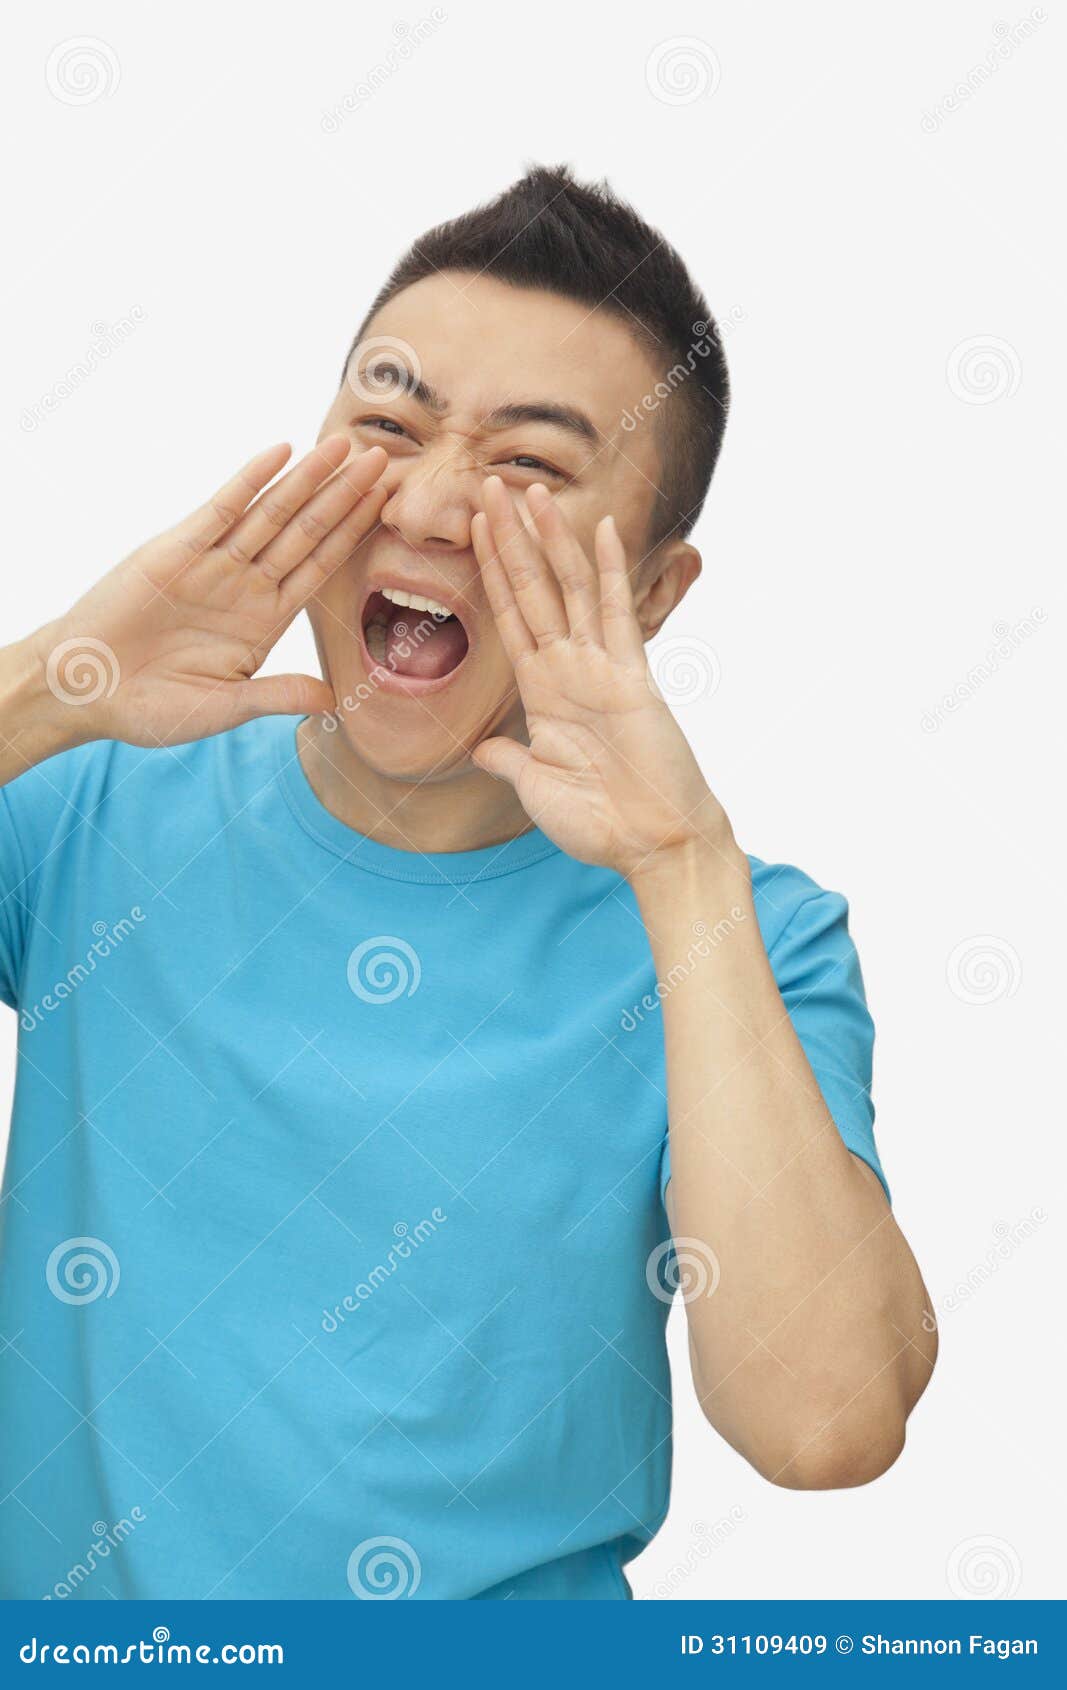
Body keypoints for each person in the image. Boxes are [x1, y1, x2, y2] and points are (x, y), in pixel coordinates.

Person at [0, 166, 935, 1602]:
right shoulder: (85, 803)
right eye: (388, 427)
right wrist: (48, 690)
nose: (432, 506)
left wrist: (682, 868)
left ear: (653, 592)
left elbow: (825, 1423)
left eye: (532, 467)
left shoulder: (744, 937)